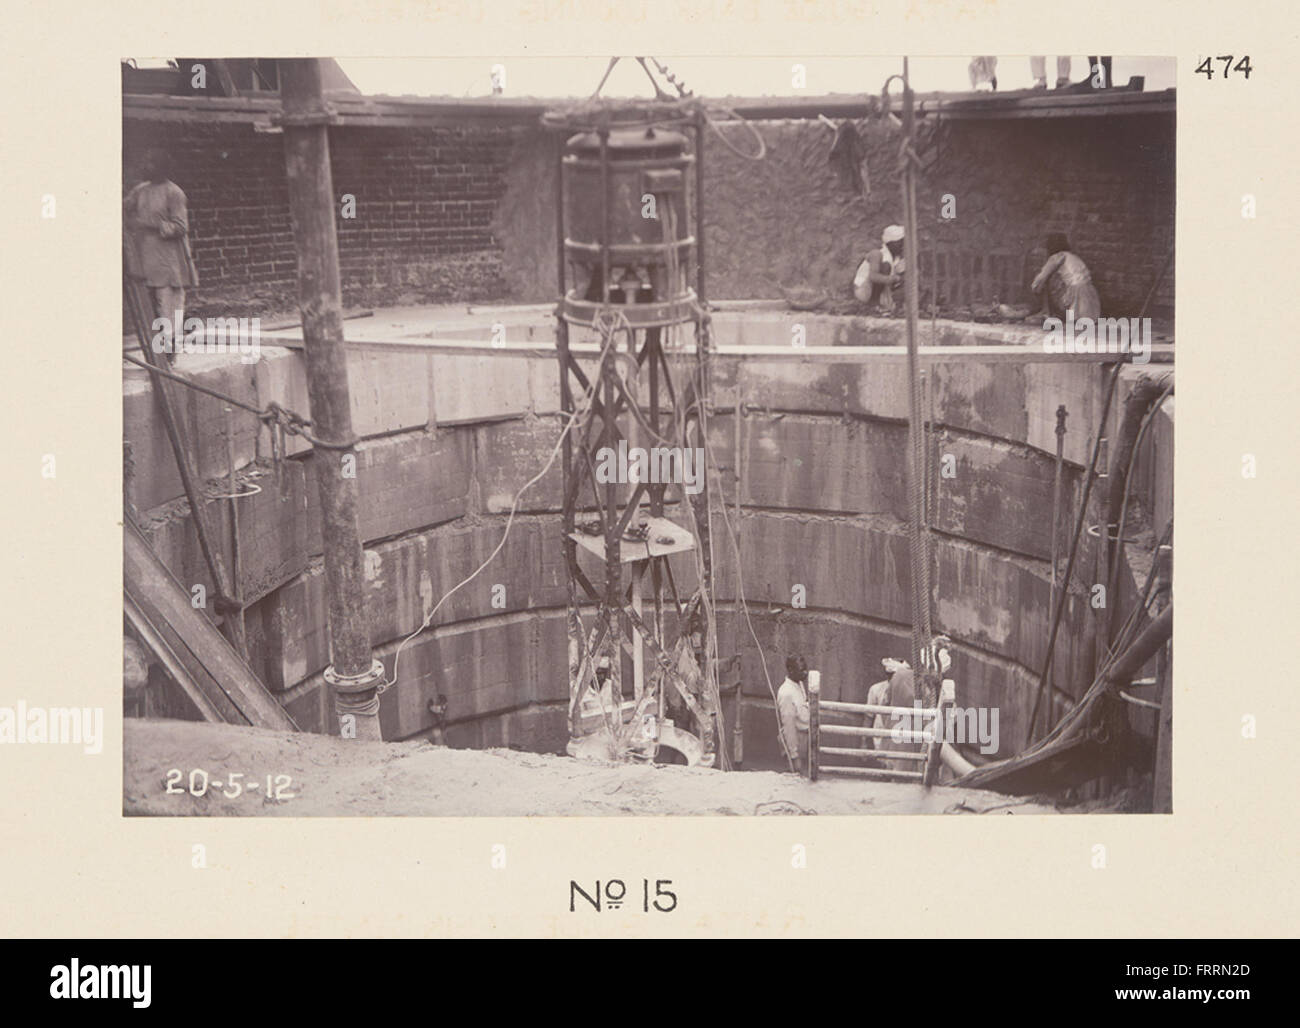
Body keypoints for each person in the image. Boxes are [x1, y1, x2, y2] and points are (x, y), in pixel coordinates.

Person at [124, 149, 198, 360]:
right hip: (145, 262)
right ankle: (156, 356)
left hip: (168, 262)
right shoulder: (140, 190)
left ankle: (170, 355)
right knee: (151, 312)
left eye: (151, 163)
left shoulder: (174, 192)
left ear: (162, 167)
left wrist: (148, 225)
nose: (145, 166)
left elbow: (180, 226)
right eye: (144, 162)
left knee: (169, 310)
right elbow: (124, 208)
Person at [1031, 232, 1101, 322]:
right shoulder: (1073, 256)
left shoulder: (1057, 257)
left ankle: (1047, 313)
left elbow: (1041, 277)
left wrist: (1035, 288)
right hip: (1089, 292)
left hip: (1076, 291)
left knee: (1045, 282)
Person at [853, 225, 906, 312]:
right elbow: (873, 277)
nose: (902, 245)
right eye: (900, 242)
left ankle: (881, 305)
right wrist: (893, 278)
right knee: (886, 267)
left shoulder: (896, 259)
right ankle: (873, 304)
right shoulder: (877, 254)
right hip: (863, 291)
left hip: (879, 292)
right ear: (891, 243)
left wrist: (899, 278)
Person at [776, 654, 810, 773]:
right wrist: (794, 756)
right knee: (795, 775)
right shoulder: (786, 693)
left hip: (804, 738)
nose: (805, 673)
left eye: (806, 669)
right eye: (802, 670)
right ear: (791, 670)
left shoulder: (799, 684)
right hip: (795, 741)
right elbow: (789, 727)